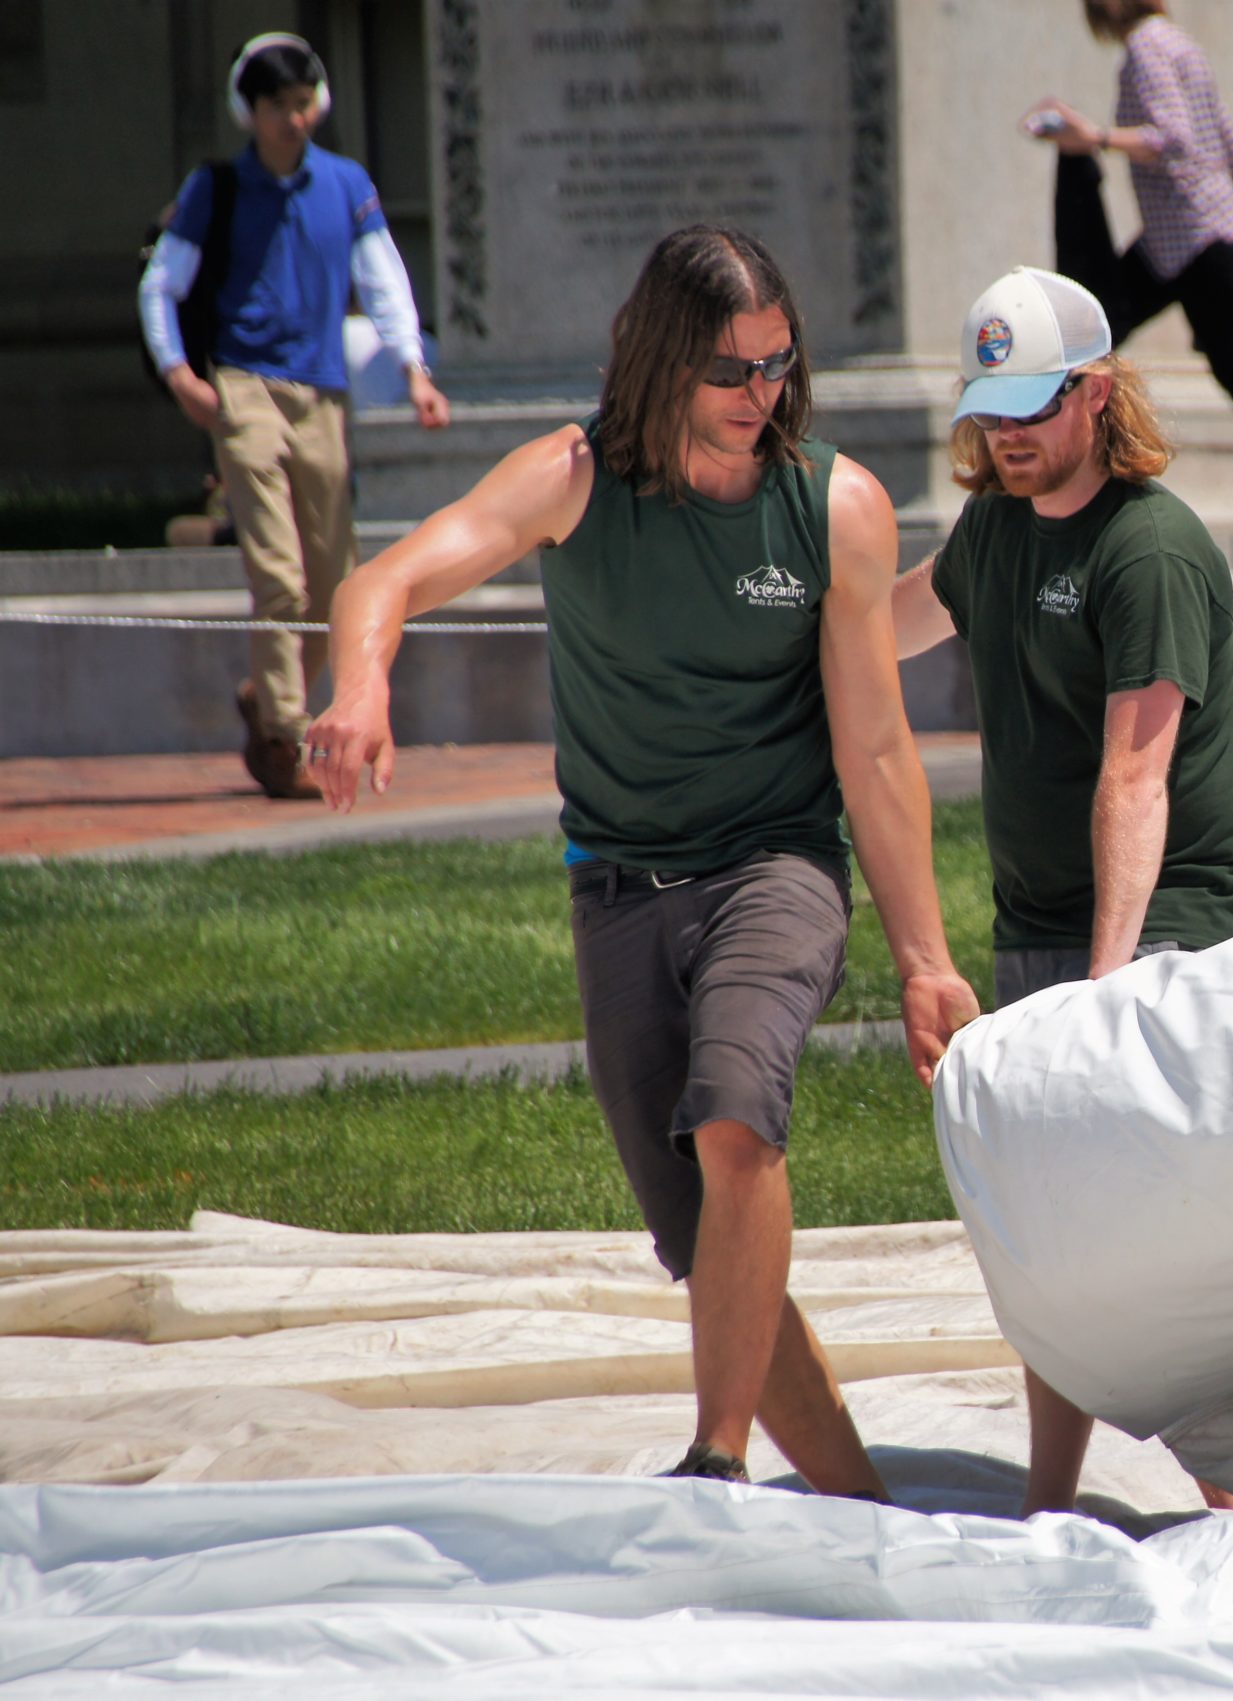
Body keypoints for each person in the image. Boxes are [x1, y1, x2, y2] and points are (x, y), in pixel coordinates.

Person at [302, 225, 979, 1496]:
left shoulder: (831, 506)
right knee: (708, 1239)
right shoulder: (570, 478)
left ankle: (712, 1460)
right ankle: (858, 1504)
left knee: (736, 1121)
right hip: (616, 892)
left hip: (775, 866)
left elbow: (878, 751)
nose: (759, 398)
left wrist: (925, 960)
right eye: (732, 371)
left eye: (779, 367)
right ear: (662, 360)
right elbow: (380, 581)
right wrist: (361, 688)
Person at [890, 265, 1233, 1514]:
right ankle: (1053, 1499)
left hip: (1159, 931)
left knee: (1170, 1231)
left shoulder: (1149, 549)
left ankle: (1232, 1504)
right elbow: (890, 623)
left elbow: (1134, 780)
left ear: (1096, 395)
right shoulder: (993, 525)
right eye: (991, 408)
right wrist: (774, 638)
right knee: (1046, 1239)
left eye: (1034, 407)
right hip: (1033, 927)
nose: (1007, 434)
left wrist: (1108, 985)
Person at [138, 33, 450, 800]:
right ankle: (284, 733)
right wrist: (180, 374)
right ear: (250, 109)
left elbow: (384, 284)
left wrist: (415, 371)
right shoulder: (217, 189)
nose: (294, 119)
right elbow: (160, 286)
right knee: (278, 575)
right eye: (278, 104)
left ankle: (265, 700)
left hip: (323, 392)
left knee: (332, 577)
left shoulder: (346, 185)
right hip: (242, 386)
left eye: (304, 102)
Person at [1024, 0, 1233, 568]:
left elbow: (1170, 137)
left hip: (1195, 244)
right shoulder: (1180, 44)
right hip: (1186, 243)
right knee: (1096, 336)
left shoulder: (1145, 50)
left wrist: (1096, 138)